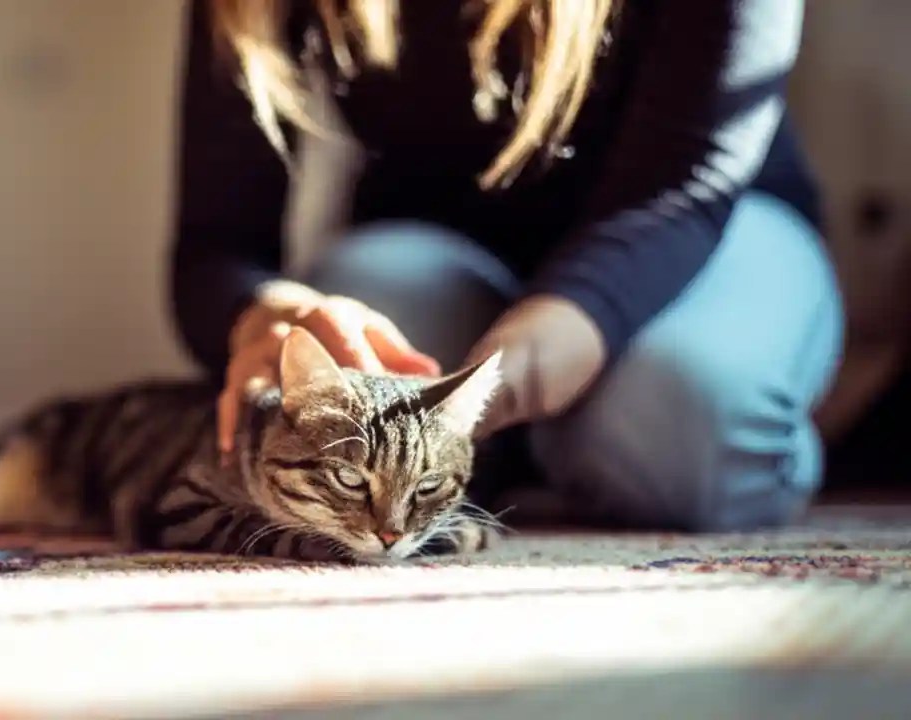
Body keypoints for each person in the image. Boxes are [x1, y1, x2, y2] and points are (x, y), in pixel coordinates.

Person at [167, 0, 844, 532]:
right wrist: (269, 312)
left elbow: (691, 181)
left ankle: (551, 450)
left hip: (704, 228)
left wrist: (572, 318)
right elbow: (216, 241)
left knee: (686, 427)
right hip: (435, 254)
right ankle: (541, 452)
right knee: (356, 353)